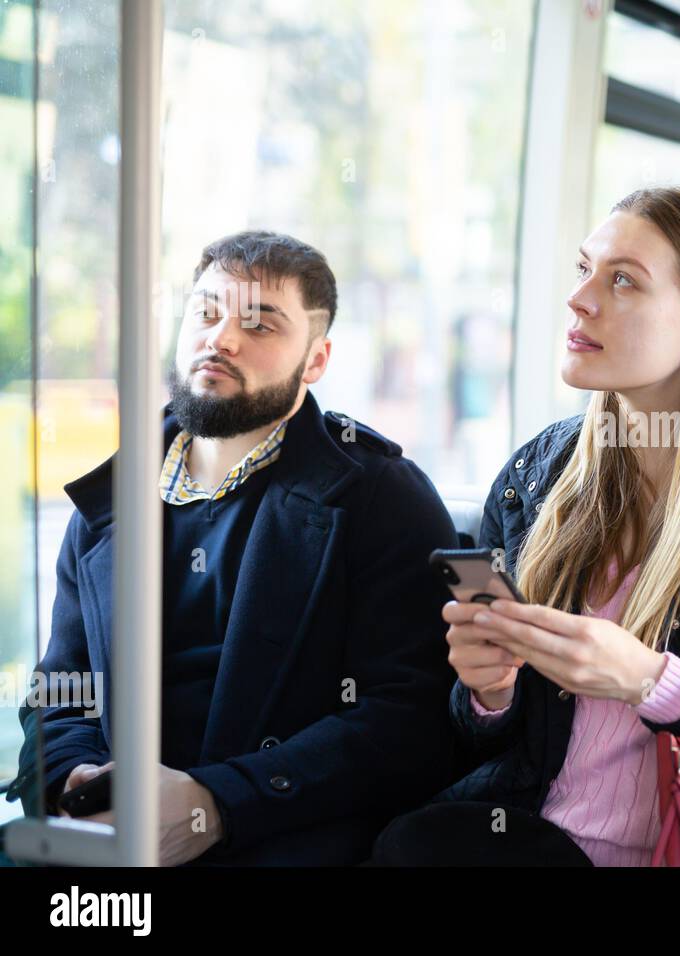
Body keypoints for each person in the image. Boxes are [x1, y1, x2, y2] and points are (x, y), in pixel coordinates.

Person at [371, 187, 680, 866]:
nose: (581, 299)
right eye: (584, 270)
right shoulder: (535, 473)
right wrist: (487, 695)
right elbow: (477, 739)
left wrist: (656, 682)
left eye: (622, 281)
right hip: (533, 838)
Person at [10, 231, 462, 865]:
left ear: (316, 361)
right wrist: (68, 781)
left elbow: (409, 720)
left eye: (260, 323)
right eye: (206, 312)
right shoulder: (113, 492)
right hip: (103, 839)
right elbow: (63, 684)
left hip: (281, 838)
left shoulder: (382, 497)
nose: (221, 337)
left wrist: (216, 804)